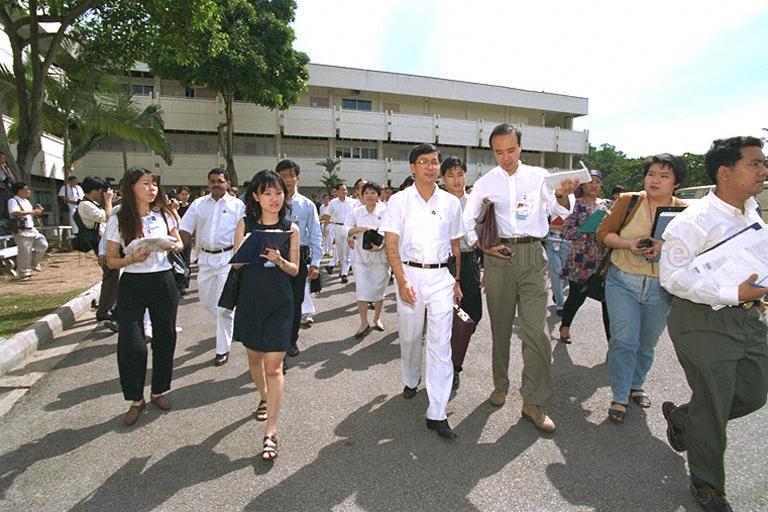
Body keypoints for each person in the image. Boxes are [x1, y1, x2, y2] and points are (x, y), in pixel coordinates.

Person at [660, 136, 768, 512]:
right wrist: (730, 291)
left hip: (749, 318)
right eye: (754, 164)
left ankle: (684, 419)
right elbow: (672, 278)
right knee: (714, 401)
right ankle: (708, 487)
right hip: (702, 320)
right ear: (725, 172)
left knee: (755, 393)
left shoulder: (751, 213)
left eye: (763, 163)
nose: (763, 170)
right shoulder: (694, 220)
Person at [463, 123, 578, 432]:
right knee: (500, 327)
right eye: (499, 152)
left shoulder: (541, 177)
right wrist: (482, 245)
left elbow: (563, 211)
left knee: (537, 331)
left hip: (532, 256)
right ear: (492, 152)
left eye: (511, 150)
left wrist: (564, 195)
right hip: (498, 257)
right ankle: (500, 385)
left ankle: (535, 401)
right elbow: (466, 219)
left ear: (521, 147)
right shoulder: (486, 183)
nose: (505, 157)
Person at [380, 143, 464, 440]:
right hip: (410, 275)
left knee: (441, 344)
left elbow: (456, 246)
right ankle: (411, 378)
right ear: (412, 167)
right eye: (424, 162)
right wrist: (401, 280)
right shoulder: (399, 202)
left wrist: (457, 280)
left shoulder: (451, 203)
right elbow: (391, 245)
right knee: (411, 335)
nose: (431, 167)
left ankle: (437, 412)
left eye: (434, 161)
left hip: (441, 277)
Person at [596, 153, 687, 423]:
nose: (654, 180)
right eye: (651, 174)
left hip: (661, 287)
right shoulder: (629, 201)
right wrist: (630, 244)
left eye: (663, 176)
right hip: (622, 281)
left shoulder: (685, 211)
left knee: (647, 343)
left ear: (676, 183)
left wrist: (665, 248)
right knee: (624, 340)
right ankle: (620, 395)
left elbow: (691, 249)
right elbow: (603, 235)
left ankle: (637, 384)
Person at [105, 167, 183, 427]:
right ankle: (135, 398)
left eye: (154, 184)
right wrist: (131, 258)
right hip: (133, 282)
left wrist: (169, 244)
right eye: (146, 183)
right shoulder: (119, 218)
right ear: (131, 187)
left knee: (165, 336)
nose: (152, 189)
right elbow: (111, 259)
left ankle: (159, 390)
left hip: (163, 279)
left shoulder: (164, 213)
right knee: (132, 342)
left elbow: (180, 242)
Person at [232, 170, 300, 460]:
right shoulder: (244, 224)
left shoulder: (291, 228)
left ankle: (271, 431)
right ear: (256, 196)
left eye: (279, 193)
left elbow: (295, 270)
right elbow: (235, 265)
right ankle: (264, 397)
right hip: (250, 300)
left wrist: (278, 258)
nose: (274, 198)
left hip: (280, 302)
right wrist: (249, 249)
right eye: (268, 193)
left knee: (274, 367)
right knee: (254, 359)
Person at [179, 168, 245, 366]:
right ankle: (231, 322)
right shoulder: (198, 205)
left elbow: (241, 233)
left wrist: (238, 259)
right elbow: (184, 229)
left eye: (220, 181)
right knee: (207, 302)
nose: (216, 184)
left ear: (227, 183)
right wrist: (174, 250)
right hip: (205, 260)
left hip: (227, 259)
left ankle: (222, 350)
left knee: (223, 307)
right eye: (212, 181)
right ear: (208, 183)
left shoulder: (237, 205)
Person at [439, 156, 482, 390]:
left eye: (460, 174)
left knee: (472, 314)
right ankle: (452, 367)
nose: (456, 180)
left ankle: (455, 355)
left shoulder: (476, 203)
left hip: (470, 261)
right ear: (443, 179)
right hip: (445, 262)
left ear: (466, 175)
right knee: (447, 316)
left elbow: (486, 234)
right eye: (450, 175)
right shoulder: (439, 202)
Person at [558, 170, 611, 343]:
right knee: (576, 297)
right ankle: (565, 327)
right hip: (580, 260)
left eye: (597, 181)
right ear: (583, 185)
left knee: (607, 301)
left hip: (603, 260)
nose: (594, 184)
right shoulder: (576, 204)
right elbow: (566, 231)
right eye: (590, 181)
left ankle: (612, 341)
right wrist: (585, 230)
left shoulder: (608, 205)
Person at [276, 159, 322, 357]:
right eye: (283, 176)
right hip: (274, 256)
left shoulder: (307, 205)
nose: (287, 180)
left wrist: (315, 263)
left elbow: (315, 233)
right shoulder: (271, 201)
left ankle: (291, 341)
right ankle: (276, 341)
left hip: (299, 257)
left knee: (295, 301)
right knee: (276, 302)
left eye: (290, 175)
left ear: (297, 177)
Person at [345, 182, 389, 337]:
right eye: (366, 193)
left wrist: (382, 245)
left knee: (379, 289)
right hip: (360, 257)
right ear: (361, 196)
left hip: (380, 256)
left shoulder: (386, 210)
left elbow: (391, 231)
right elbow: (347, 229)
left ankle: (377, 318)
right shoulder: (356, 212)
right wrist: (361, 229)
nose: (370, 196)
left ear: (378, 194)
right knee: (362, 289)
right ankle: (364, 322)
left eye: (373, 192)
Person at [77, 177, 118, 324]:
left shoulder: (93, 204)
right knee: (110, 275)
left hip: (104, 243)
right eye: (102, 191)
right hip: (99, 244)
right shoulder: (85, 205)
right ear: (94, 191)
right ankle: (103, 311)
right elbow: (108, 217)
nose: (103, 194)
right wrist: (108, 201)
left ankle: (109, 306)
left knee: (112, 275)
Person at [7, 182, 48, 278]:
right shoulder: (13, 201)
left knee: (43, 244)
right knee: (25, 251)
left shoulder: (26, 201)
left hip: (31, 229)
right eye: (27, 189)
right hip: (21, 230)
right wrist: (32, 211)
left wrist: (37, 211)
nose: (29, 191)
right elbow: (14, 212)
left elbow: (30, 214)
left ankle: (34, 263)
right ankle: (24, 273)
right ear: (20, 190)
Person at [324, 184, 354, 282]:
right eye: (341, 190)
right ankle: (342, 269)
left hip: (348, 228)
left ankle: (344, 274)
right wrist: (325, 228)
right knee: (340, 250)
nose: (344, 192)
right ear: (337, 191)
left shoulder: (352, 202)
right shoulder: (333, 203)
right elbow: (328, 216)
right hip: (337, 227)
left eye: (345, 190)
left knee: (347, 250)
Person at [543, 215, 569, 315]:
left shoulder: (573, 201)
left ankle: (557, 290)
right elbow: (538, 224)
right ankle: (560, 305)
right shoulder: (545, 203)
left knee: (567, 274)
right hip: (550, 241)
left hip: (568, 241)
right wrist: (555, 227)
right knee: (556, 272)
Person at [318, 194, 333, 258]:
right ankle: (324, 251)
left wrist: (326, 217)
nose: (326, 200)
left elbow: (331, 216)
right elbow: (322, 217)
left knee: (330, 238)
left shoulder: (331, 206)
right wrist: (324, 217)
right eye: (325, 199)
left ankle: (330, 251)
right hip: (323, 223)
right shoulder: (321, 207)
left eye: (327, 199)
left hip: (330, 224)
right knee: (324, 238)